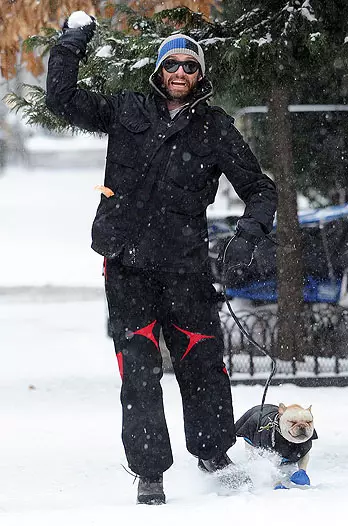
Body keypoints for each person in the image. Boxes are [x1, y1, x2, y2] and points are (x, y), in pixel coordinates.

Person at [46, 11, 277, 505]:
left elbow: (260, 190)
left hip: (186, 268)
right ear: (158, 69)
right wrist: (71, 43)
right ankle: (150, 472)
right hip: (126, 266)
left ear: (199, 75)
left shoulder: (215, 128)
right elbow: (61, 99)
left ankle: (214, 454)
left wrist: (246, 236)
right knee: (139, 369)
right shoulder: (127, 111)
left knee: (201, 363)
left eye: (188, 65)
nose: (179, 72)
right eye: (171, 63)